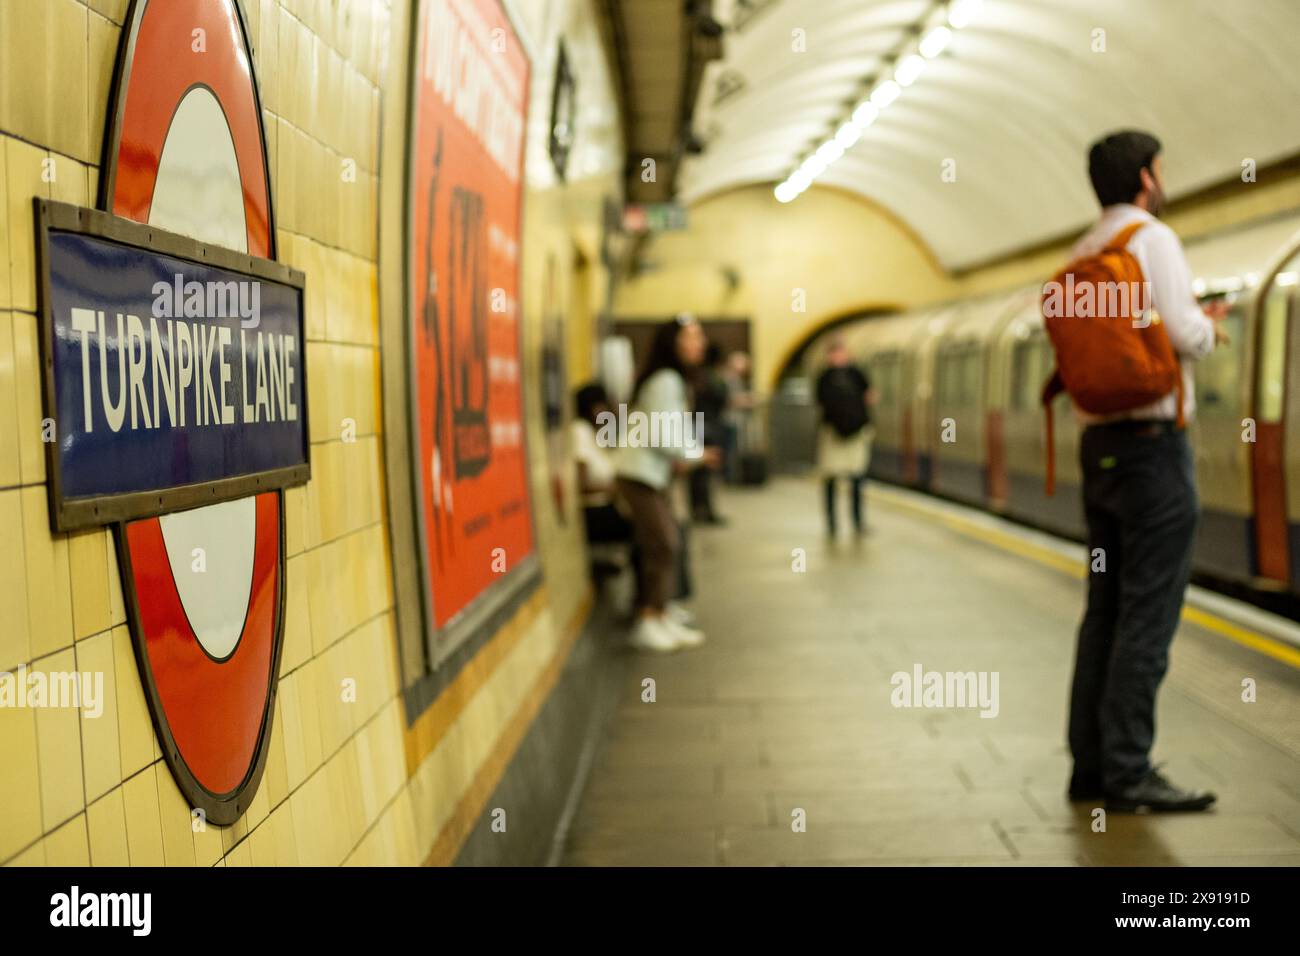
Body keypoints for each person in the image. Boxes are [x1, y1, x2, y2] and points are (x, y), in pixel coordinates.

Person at [1065, 130, 1228, 812]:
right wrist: (1210, 324)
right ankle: (1130, 771)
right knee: (1147, 614)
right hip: (1153, 450)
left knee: (1105, 608)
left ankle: (1092, 767)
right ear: (1145, 177)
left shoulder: (1085, 249)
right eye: (1160, 169)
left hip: (1099, 448)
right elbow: (1182, 333)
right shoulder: (1151, 238)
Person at [615, 314, 720, 652]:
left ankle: (659, 612)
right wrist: (697, 454)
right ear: (673, 344)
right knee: (663, 543)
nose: (699, 343)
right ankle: (648, 617)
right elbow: (664, 433)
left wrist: (690, 453)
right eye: (692, 337)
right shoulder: (665, 381)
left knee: (662, 543)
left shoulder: (669, 379)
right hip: (639, 473)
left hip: (650, 473)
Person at [814, 337, 874, 536]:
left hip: (856, 432)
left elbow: (870, 396)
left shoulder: (858, 374)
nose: (837, 357)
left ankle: (857, 522)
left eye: (840, 352)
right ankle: (832, 524)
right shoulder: (824, 377)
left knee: (857, 479)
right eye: (834, 353)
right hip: (833, 434)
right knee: (831, 479)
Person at [688, 342, 729, 524]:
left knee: (699, 472)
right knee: (705, 470)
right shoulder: (712, 378)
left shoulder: (697, 376)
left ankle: (698, 510)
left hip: (698, 425)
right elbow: (721, 398)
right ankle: (706, 511)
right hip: (708, 426)